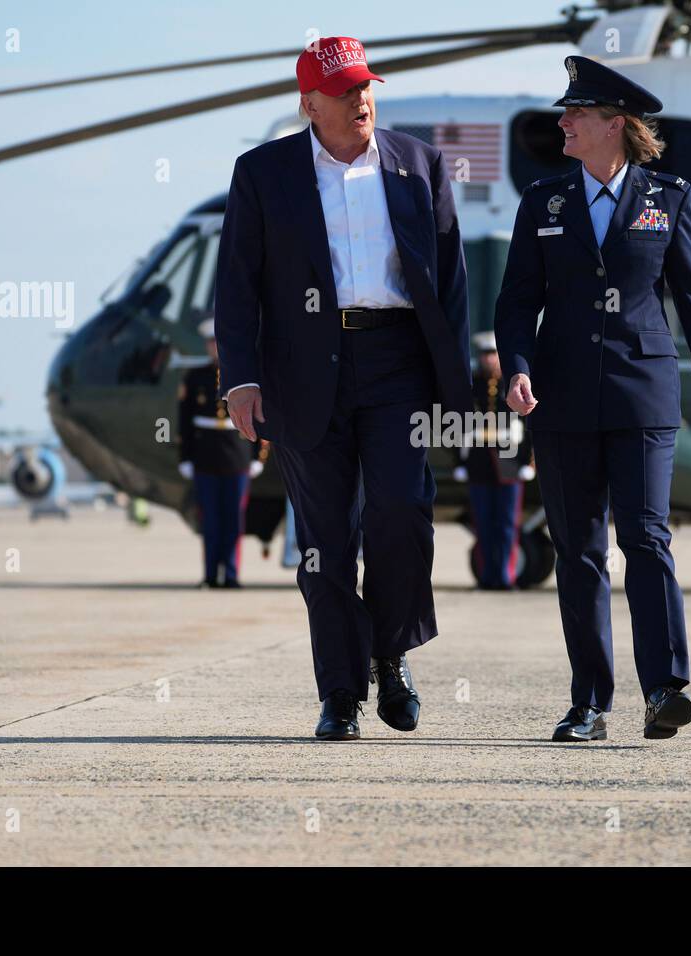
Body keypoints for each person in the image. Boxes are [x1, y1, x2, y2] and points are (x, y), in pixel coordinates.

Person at [214, 37, 472, 740]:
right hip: (303, 370)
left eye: (366, 86)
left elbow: (449, 281)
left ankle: (391, 653)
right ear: (309, 103)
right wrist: (239, 380)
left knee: (399, 513)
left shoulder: (418, 164)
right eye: (343, 90)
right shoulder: (263, 173)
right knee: (324, 541)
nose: (361, 98)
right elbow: (235, 286)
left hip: (398, 362)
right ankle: (340, 694)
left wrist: (456, 386)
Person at [495, 56, 691, 743]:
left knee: (645, 539)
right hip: (562, 399)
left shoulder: (670, 197)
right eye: (565, 112)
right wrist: (515, 368)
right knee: (577, 551)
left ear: (616, 124)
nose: (563, 121)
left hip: (643, 396)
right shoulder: (543, 199)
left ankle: (664, 688)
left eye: (577, 113)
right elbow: (517, 302)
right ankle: (590, 704)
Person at [177, 316, 261, 588]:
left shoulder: (245, 376)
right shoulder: (195, 377)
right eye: (211, 343)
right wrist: (186, 457)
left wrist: (258, 456)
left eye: (218, 342)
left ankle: (232, 575)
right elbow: (184, 421)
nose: (215, 348)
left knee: (234, 521)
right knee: (210, 521)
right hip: (205, 455)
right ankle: (211, 575)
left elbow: (259, 416)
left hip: (237, 455)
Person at [454, 331, 535, 590]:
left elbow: (528, 428)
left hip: (509, 462)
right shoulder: (472, 386)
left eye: (493, 354)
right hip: (478, 462)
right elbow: (458, 426)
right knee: (483, 524)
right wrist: (461, 463)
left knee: (508, 525)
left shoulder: (513, 386)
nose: (489, 360)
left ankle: (505, 577)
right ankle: (487, 577)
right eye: (485, 354)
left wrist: (528, 462)